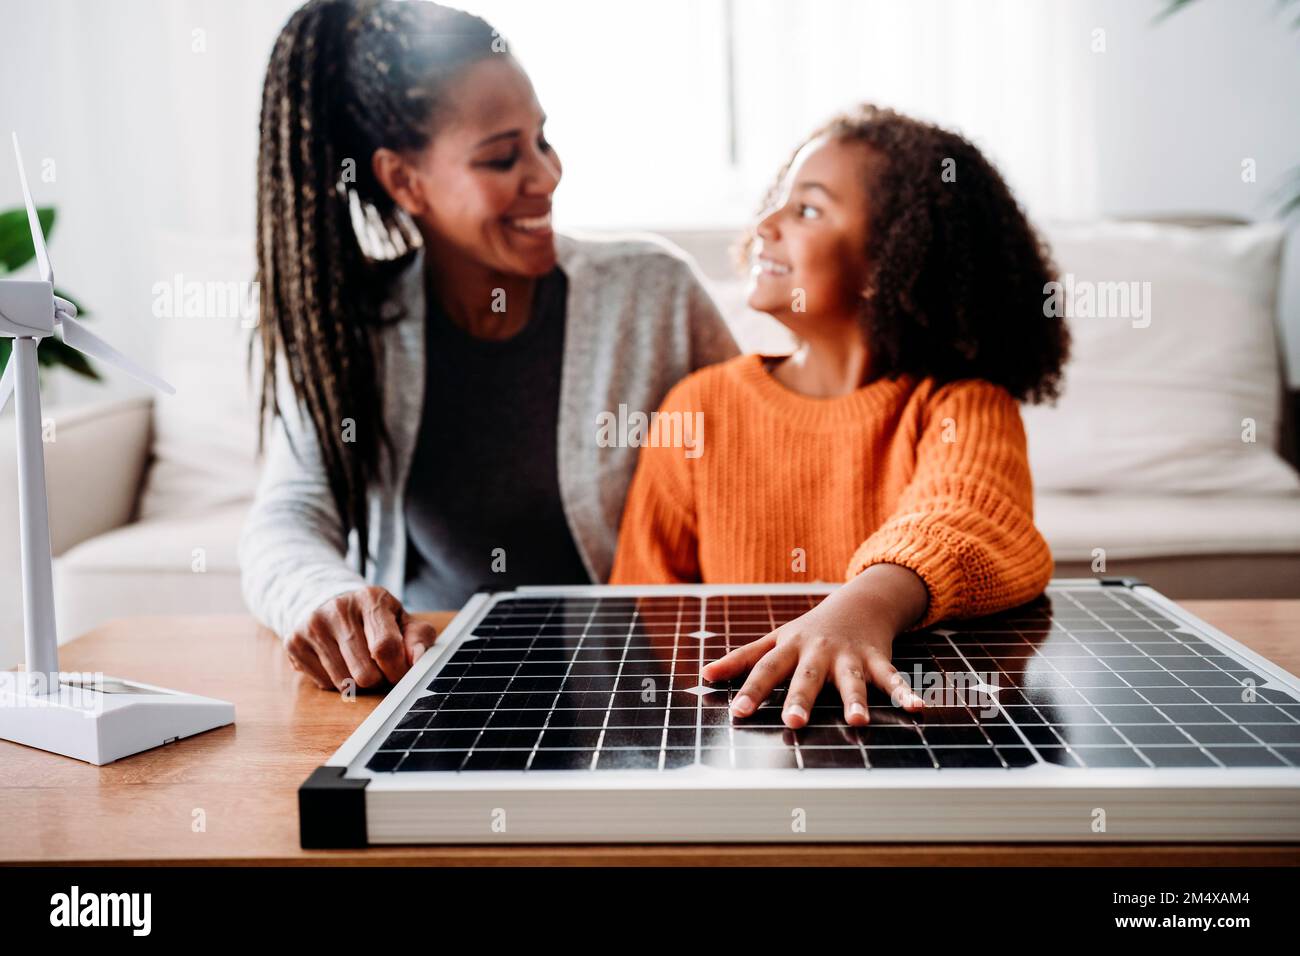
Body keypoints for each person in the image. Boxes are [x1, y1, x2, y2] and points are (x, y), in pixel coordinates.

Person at [240, 0, 736, 691]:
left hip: (631, 683)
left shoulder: (653, 294)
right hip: (426, 682)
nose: (546, 176)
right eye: (503, 157)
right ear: (403, 181)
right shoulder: (350, 329)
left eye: (543, 140)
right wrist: (323, 598)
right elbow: (289, 515)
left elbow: (758, 460)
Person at [610, 104, 1069, 729]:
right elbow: (646, 614)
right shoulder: (699, 408)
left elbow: (969, 517)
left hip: (906, 728)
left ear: (888, 264)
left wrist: (860, 608)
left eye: (807, 209)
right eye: (777, 200)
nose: (766, 223)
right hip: (747, 730)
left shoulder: (961, 404)